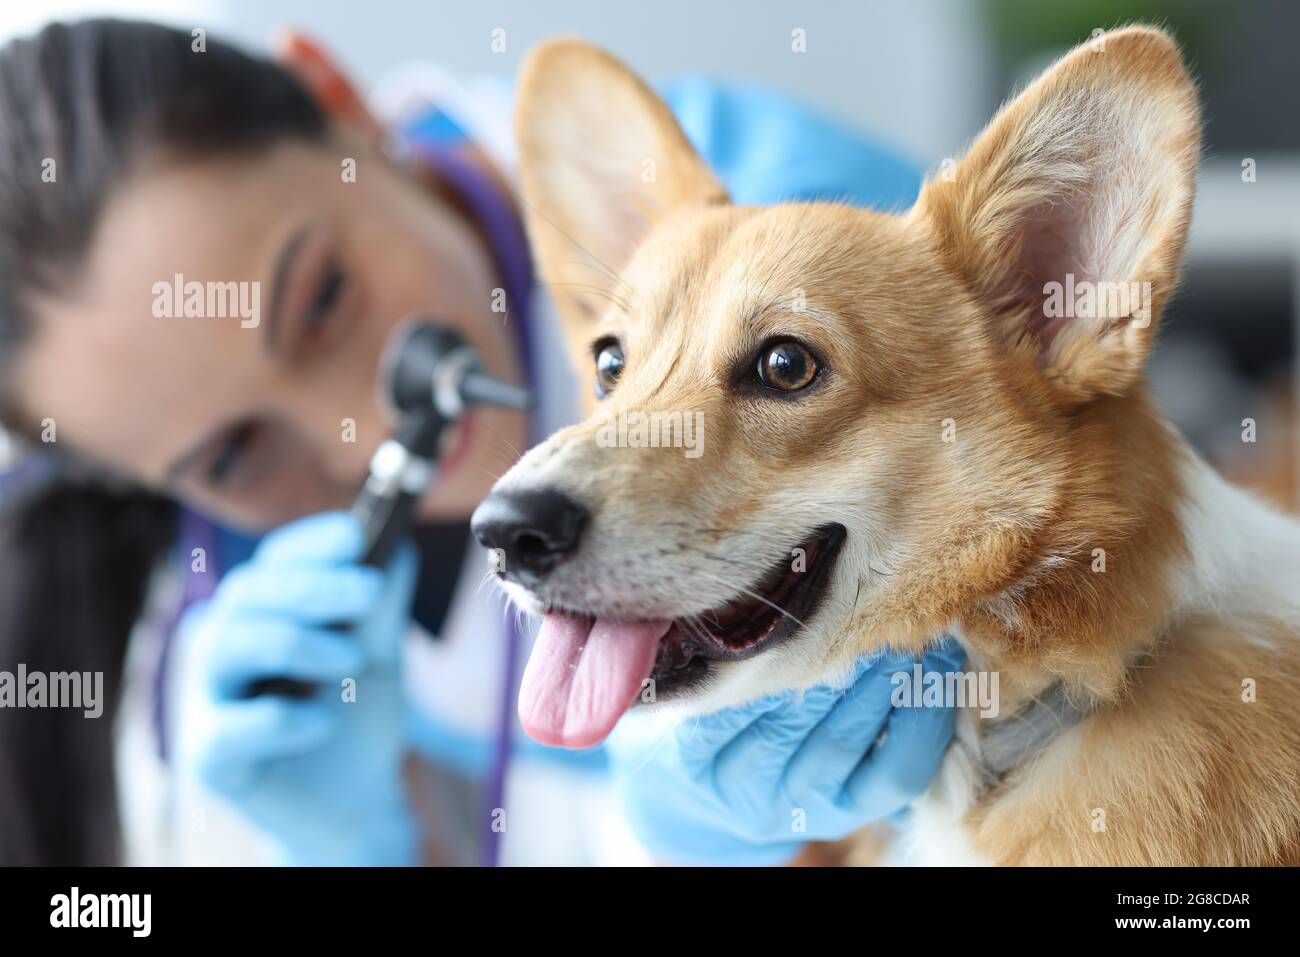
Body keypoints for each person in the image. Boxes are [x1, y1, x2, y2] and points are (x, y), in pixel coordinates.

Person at [0, 18, 960, 866]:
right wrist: (354, 848)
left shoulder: (818, 250)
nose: (365, 433)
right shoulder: (246, 592)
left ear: (340, 104)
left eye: (324, 301)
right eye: (232, 454)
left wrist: (713, 819)